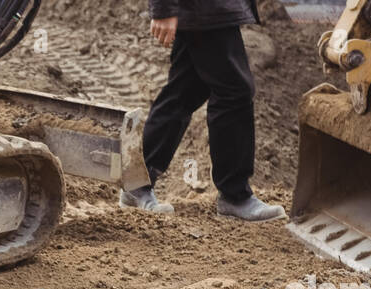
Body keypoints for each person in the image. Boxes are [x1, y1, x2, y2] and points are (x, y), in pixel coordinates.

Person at [120, 0, 285, 221]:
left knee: (185, 90)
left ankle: (137, 183)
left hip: (206, 10)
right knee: (235, 91)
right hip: (204, 10)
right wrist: (164, 9)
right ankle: (235, 196)